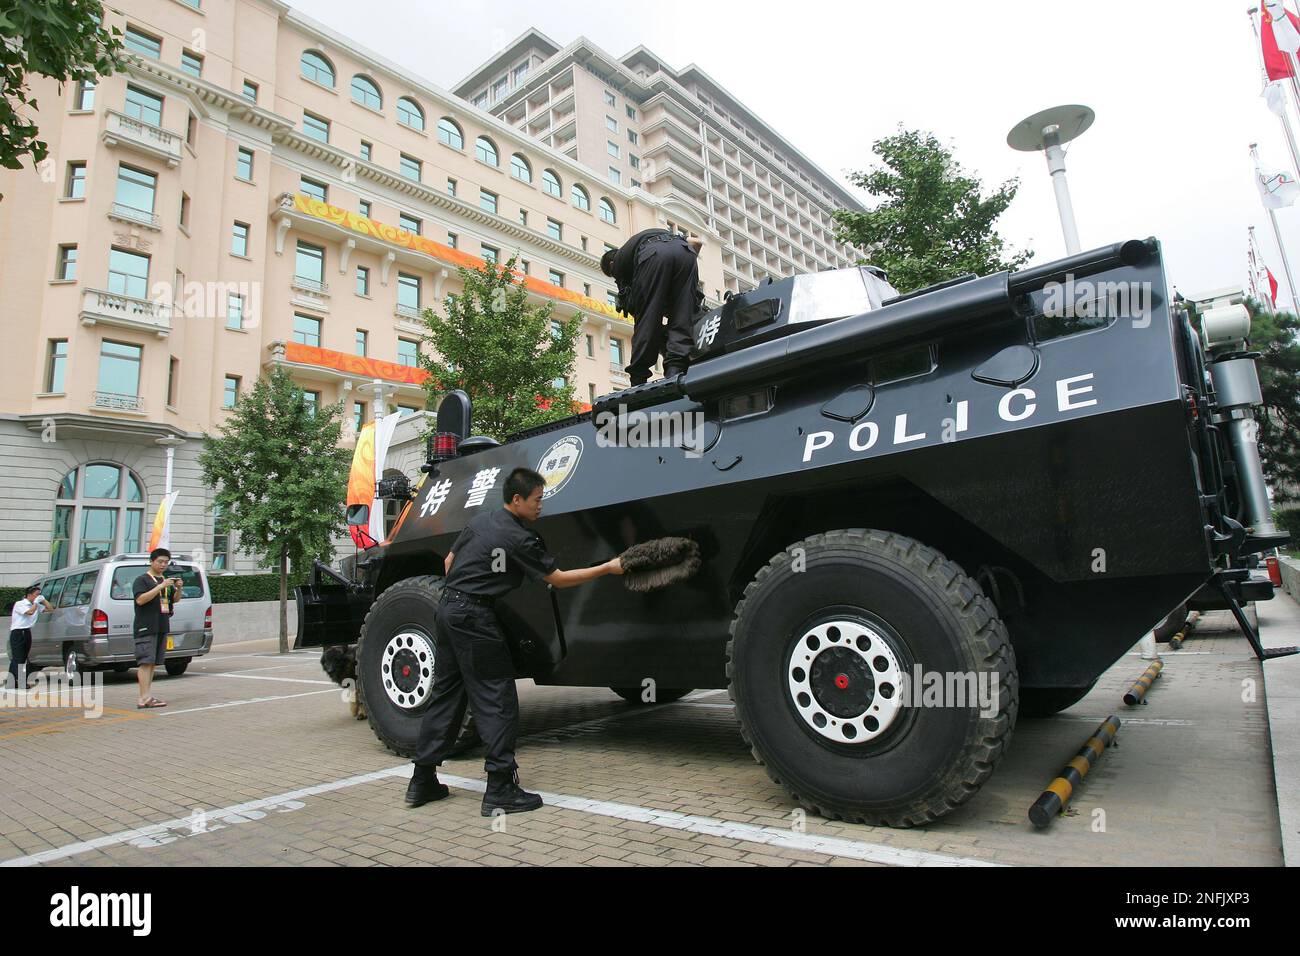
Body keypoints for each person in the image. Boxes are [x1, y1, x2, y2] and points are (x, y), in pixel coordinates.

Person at [407, 467, 624, 815]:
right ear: (518, 499)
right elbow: (559, 579)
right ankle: (500, 787)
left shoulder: (481, 521)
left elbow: (449, 561)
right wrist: (608, 568)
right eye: (537, 500)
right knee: (496, 697)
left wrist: (471, 585)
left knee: (446, 694)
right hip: (474, 618)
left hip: (448, 610)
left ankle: (422, 780)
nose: (541, 507)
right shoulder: (519, 538)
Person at [600, 228, 704, 386]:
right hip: (687, 253)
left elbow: (640, 311)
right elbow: (697, 242)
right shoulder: (644, 240)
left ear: (611, 265)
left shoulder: (618, 262)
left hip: (655, 255)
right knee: (682, 314)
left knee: (647, 318)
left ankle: (638, 376)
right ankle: (675, 368)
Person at [133, 548, 182, 709]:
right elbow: (140, 600)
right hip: (146, 626)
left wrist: (179, 588)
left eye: (166, 562)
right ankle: (143, 697)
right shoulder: (142, 580)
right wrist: (160, 586)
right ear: (152, 561)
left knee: (153, 662)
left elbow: (174, 600)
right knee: (145, 662)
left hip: (162, 624)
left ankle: (148, 695)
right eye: (160, 561)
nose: (163, 565)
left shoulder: (165, 581)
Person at [7, 584, 51, 690]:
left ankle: (12, 681)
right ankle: (19, 682)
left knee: (23, 657)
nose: (38, 596)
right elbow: (30, 612)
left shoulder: (35, 604)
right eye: (36, 594)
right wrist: (36, 603)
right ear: (29, 595)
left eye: (40, 595)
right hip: (18, 632)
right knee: (18, 658)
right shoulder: (20, 604)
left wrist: (43, 600)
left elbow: (50, 609)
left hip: (27, 632)